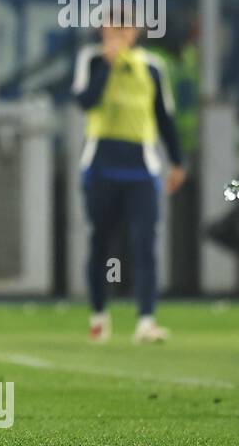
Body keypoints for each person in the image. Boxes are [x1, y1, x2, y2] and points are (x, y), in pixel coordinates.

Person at [72, 19, 186, 343]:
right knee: (101, 242)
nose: (118, 38)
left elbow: (164, 116)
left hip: (141, 168)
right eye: (111, 32)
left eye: (124, 31)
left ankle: (146, 320)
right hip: (101, 167)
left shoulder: (153, 66)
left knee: (144, 244)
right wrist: (107, 65)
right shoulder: (91, 60)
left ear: (135, 33)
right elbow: (85, 101)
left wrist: (177, 161)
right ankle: (98, 315)